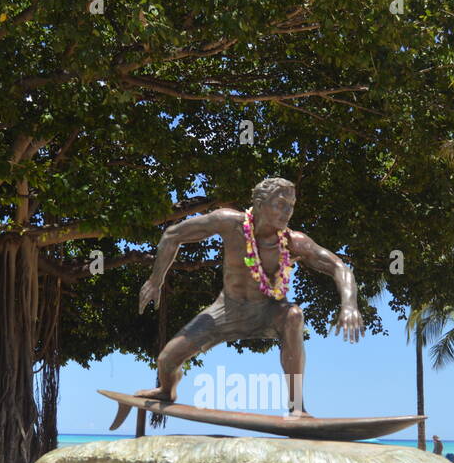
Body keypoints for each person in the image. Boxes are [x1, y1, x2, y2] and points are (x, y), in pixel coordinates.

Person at [136, 176, 363, 417]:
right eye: (281, 204)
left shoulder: (292, 242)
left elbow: (339, 267)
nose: (287, 212)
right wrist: (155, 279)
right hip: (226, 311)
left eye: (291, 206)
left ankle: (297, 407)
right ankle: (166, 390)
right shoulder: (229, 223)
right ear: (259, 202)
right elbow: (173, 234)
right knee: (166, 361)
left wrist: (349, 305)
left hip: (269, 312)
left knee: (294, 315)